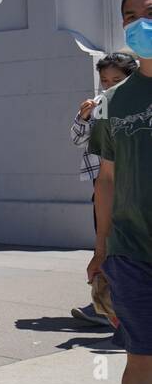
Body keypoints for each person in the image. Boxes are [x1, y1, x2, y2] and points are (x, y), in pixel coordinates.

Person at [86, 0, 152, 384]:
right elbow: (105, 181)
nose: (138, 23)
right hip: (132, 254)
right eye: (129, 15)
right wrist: (100, 249)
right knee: (142, 363)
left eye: (147, 11)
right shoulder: (115, 103)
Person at [71, 52, 138, 324]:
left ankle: (114, 306)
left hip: (132, 189)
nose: (109, 85)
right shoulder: (100, 105)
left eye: (117, 80)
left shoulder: (138, 105)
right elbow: (77, 139)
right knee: (106, 244)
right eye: (105, 80)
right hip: (105, 186)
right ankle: (104, 303)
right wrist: (84, 117)